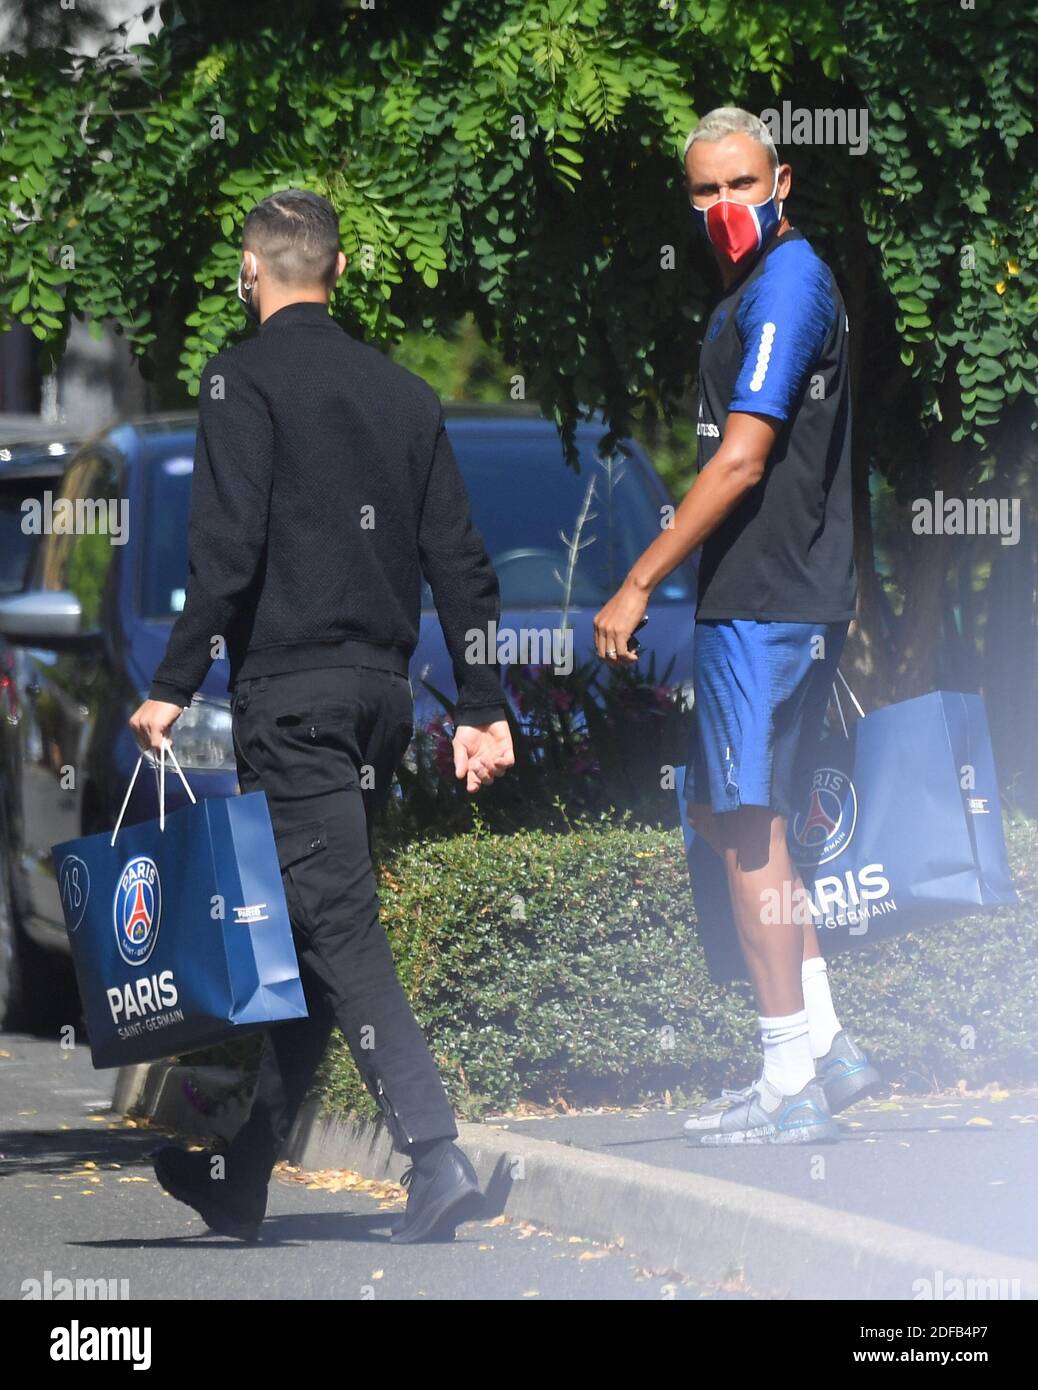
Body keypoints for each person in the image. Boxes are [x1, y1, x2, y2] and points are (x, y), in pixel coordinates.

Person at [129, 188, 515, 1238]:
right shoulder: (402, 392)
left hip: (290, 702)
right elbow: (463, 568)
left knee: (337, 927)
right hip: (377, 705)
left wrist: (169, 682)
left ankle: (435, 1158)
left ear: (250, 271)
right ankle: (244, 1172)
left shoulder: (238, 380)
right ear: (338, 272)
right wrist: (482, 701)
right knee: (304, 936)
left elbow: (228, 555)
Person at [593, 108, 878, 1146]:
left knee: (747, 834)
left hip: (766, 602)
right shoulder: (758, 286)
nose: (722, 208)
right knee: (744, 825)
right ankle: (828, 1051)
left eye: (740, 185)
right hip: (766, 600)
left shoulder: (791, 285)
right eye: (704, 192)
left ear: (782, 180)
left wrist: (636, 582)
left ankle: (786, 1079)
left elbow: (743, 459)